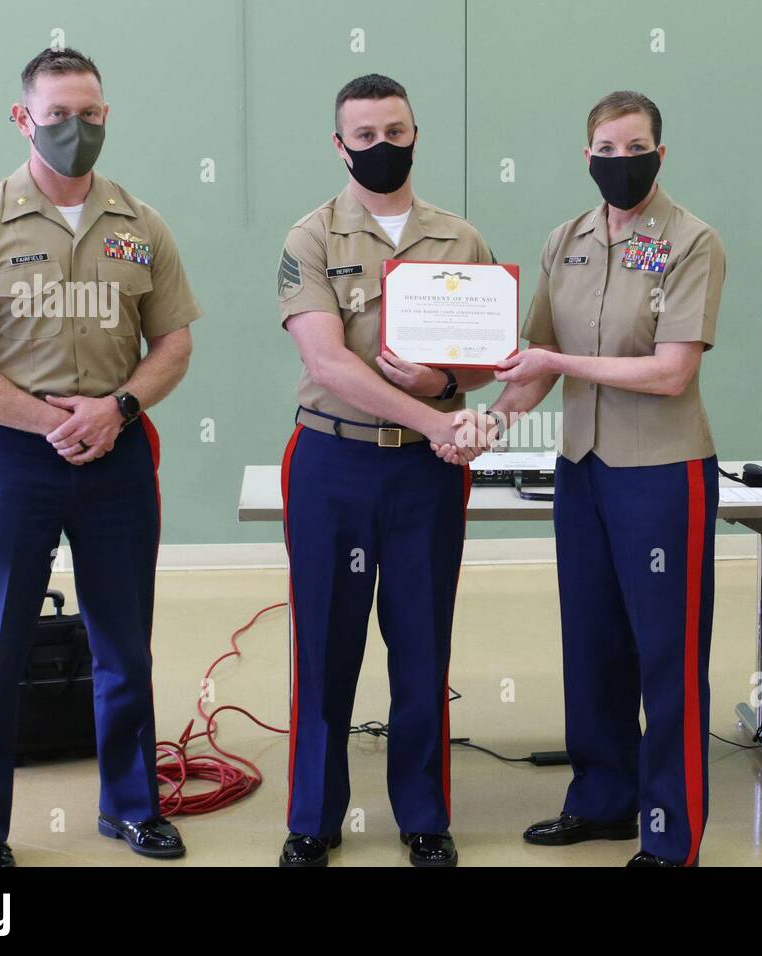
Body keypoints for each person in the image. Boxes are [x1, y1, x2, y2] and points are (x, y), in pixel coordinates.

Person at [0, 48, 201, 866]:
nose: (77, 130)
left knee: (124, 644)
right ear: (23, 118)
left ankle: (131, 807)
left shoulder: (140, 225)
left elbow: (174, 342)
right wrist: (47, 422)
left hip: (116, 451)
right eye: (59, 115)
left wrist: (118, 409)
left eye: (92, 114)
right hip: (17, 458)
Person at [446, 90, 725, 866]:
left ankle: (671, 833)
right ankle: (602, 799)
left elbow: (672, 372)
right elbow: (529, 359)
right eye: (606, 149)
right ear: (587, 156)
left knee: (665, 655)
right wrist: (491, 421)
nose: (620, 162)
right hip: (584, 469)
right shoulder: (565, 241)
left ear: (659, 155)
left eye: (635, 148)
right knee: (594, 645)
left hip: (663, 474)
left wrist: (557, 364)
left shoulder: (692, 240)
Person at [275, 74, 497, 868]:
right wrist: (440, 417)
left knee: (421, 644)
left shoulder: (460, 239)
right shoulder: (311, 238)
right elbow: (328, 363)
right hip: (333, 461)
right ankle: (313, 818)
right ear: (339, 145)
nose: (381, 146)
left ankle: (425, 816)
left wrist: (443, 389)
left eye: (394, 131)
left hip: (423, 475)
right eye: (362, 135)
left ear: (415, 132)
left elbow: (480, 367)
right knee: (325, 645)